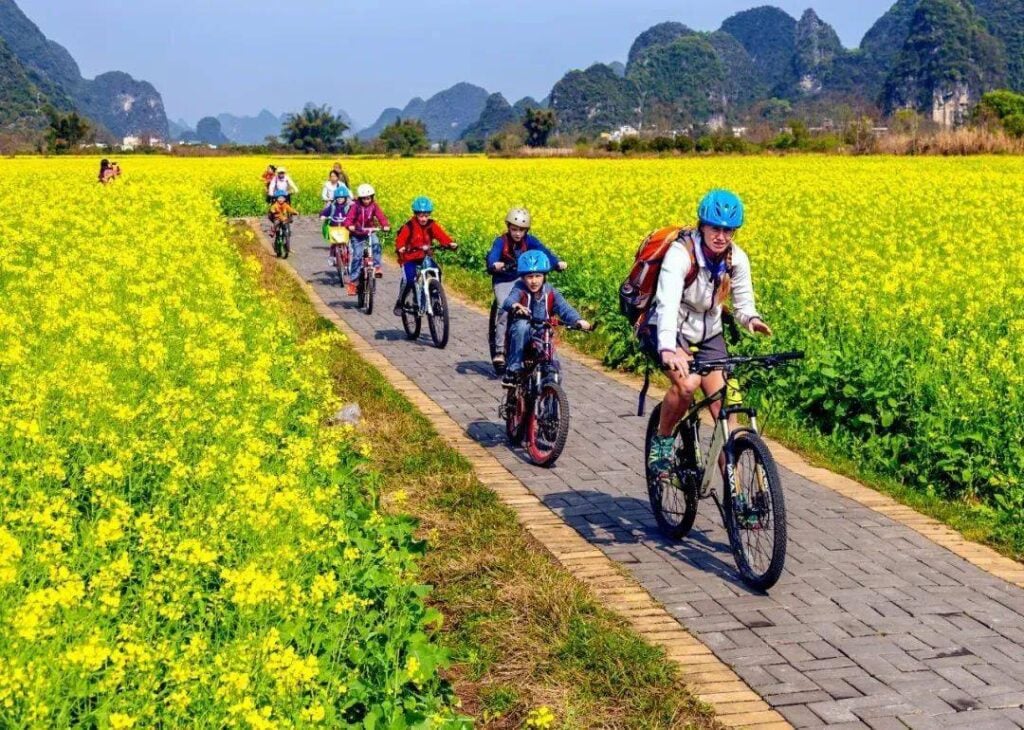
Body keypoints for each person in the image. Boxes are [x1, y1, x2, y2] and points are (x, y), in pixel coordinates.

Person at [645, 189, 773, 482]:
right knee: (688, 383)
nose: (721, 236)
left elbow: (743, 304)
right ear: (702, 225)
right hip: (670, 328)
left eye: (729, 230)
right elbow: (666, 304)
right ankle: (662, 442)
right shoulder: (681, 255)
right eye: (715, 228)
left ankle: (737, 496)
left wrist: (751, 319)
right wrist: (667, 348)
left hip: (709, 333)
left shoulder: (736, 259)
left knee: (726, 414)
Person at [485, 207, 566, 371]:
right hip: (504, 279)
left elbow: (544, 252)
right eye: (514, 229)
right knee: (505, 309)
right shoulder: (501, 241)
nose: (517, 233)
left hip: (523, 278)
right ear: (508, 227)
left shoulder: (530, 241)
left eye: (521, 230)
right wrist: (495, 264)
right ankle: (500, 350)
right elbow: (493, 255)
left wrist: (556, 263)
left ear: (526, 230)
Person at [500, 250, 591, 386]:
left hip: (543, 332)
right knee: (521, 325)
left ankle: (551, 399)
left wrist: (578, 321)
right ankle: (513, 369)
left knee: (554, 370)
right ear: (523, 278)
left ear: (544, 276)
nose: (534, 281)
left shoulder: (550, 291)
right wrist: (515, 305)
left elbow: (564, 308)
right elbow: (508, 301)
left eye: (538, 276)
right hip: (523, 332)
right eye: (530, 277)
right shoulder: (519, 288)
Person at [393, 196, 458, 316]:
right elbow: (400, 240)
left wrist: (449, 243)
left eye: (426, 215)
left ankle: (435, 299)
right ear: (416, 214)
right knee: (409, 280)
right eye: (421, 216)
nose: (424, 218)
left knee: (436, 271)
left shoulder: (431, 225)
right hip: (409, 258)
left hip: (424, 256)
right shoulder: (409, 226)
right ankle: (400, 302)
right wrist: (401, 247)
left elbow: (441, 236)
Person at [343, 183, 390, 294]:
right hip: (357, 234)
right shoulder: (355, 206)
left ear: (372, 197)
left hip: (370, 231)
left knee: (376, 244)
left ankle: (377, 267)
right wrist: (349, 225)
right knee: (357, 256)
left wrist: (385, 225)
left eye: (368, 198)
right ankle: (353, 282)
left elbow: (381, 216)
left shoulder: (374, 206)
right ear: (360, 198)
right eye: (364, 198)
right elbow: (349, 218)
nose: (366, 201)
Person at [320, 185, 353, 269]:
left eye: (342, 198)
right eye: (338, 198)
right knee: (334, 243)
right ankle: (332, 257)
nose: (340, 200)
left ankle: (349, 258)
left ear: (345, 198)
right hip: (334, 227)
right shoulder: (333, 206)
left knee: (348, 243)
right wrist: (323, 215)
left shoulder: (349, 206)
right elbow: (325, 212)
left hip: (345, 228)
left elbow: (354, 213)